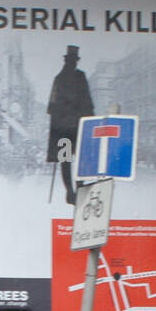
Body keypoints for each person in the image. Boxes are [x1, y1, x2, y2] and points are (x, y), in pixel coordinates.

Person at [46, 45, 94, 205]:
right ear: (75, 62)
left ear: (66, 61)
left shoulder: (58, 79)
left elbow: (51, 107)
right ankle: (80, 188)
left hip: (62, 129)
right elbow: (87, 101)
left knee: (65, 160)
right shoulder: (80, 77)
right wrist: (90, 121)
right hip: (79, 128)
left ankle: (69, 192)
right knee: (81, 158)